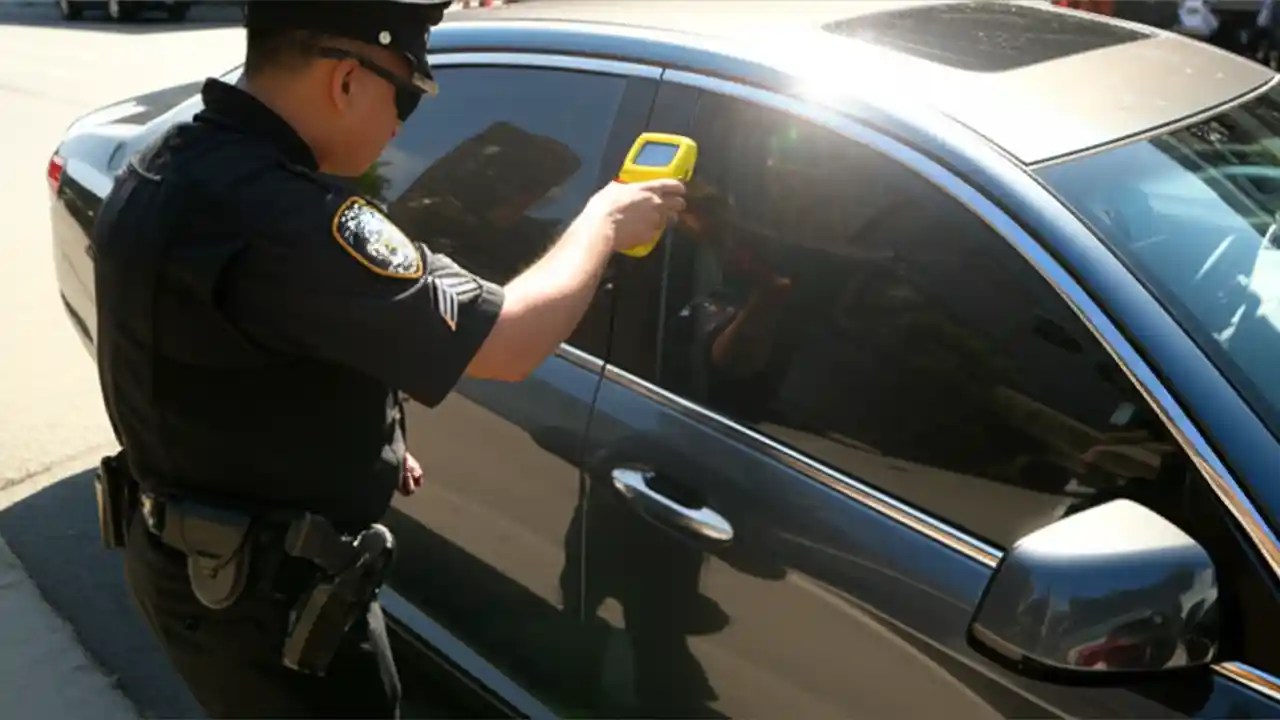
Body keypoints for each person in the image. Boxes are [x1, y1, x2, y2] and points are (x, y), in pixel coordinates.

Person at [88, 1, 686, 718]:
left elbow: (217, 354)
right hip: (269, 606)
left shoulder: (169, 161)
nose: (403, 125)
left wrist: (358, 430)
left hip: (189, 569)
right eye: (405, 95)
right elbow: (509, 342)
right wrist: (605, 221)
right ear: (346, 80)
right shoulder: (290, 219)